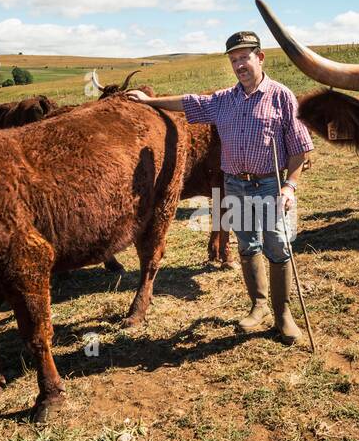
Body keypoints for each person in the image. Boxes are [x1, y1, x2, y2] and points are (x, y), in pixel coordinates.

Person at [127, 31, 314, 345]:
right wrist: (150, 101)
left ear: (260, 57)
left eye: (244, 57)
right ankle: (259, 307)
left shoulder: (281, 96)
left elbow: (300, 148)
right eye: (234, 60)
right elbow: (189, 103)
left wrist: (290, 186)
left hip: (270, 184)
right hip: (235, 185)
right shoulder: (224, 100)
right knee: (248, 245)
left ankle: (283, 315)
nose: (240, 65)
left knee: (278, 246)